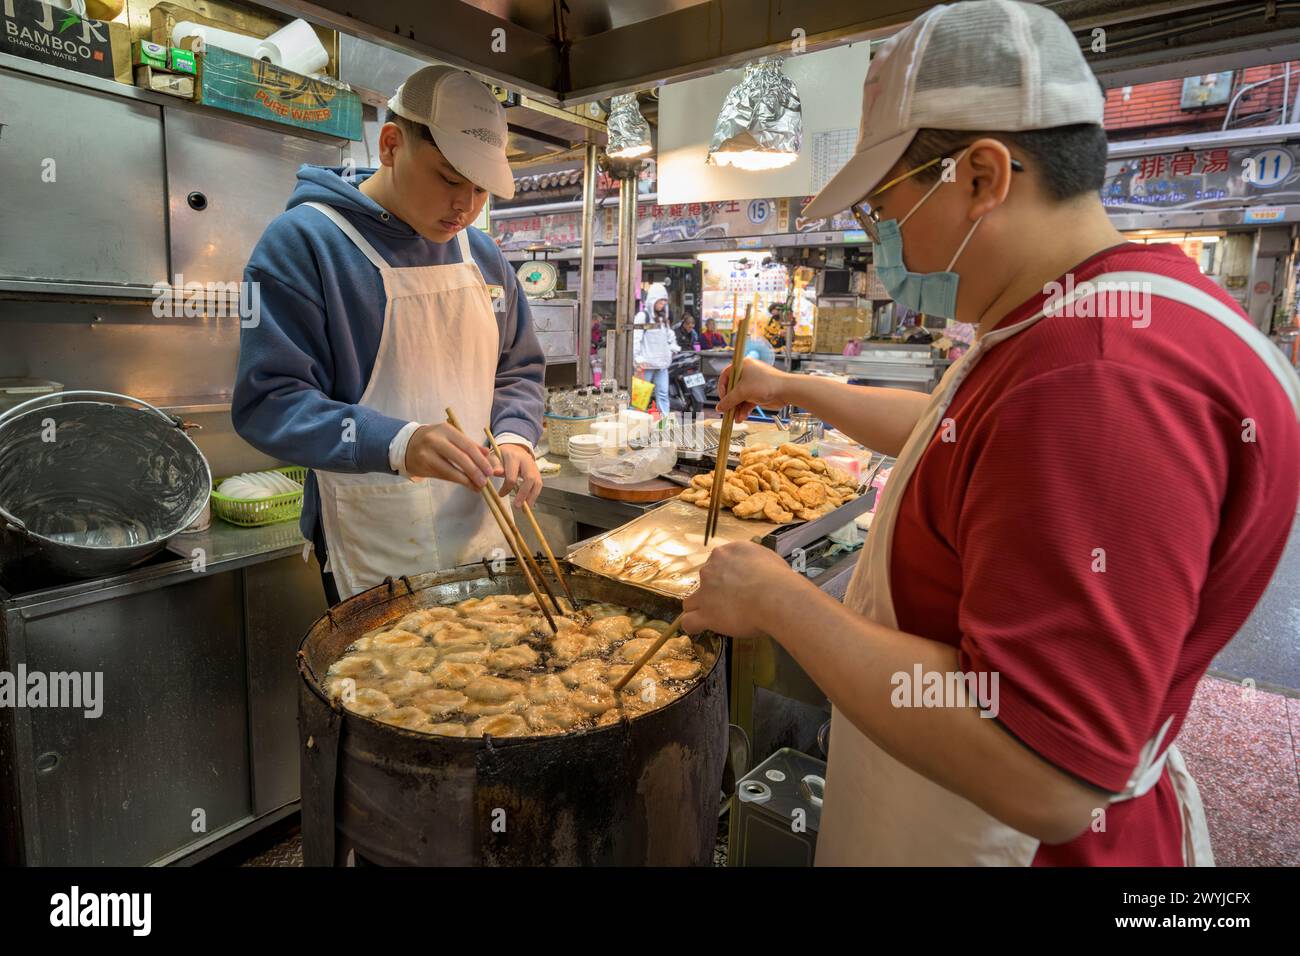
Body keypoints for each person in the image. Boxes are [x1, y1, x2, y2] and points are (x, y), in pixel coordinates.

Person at [682, 0, 1300, 867]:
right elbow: (958, 439)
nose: (877, 237)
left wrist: (783, 603)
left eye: (883, 208)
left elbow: (1043, 774)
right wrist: (797, 388)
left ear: (981, 177)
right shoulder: (1091, 314)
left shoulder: (1097, 375)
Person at [233, 66, 545, 605]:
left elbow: (518, 369)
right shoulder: (305, 244)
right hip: (373, 541)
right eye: (450, 178)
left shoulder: (484, 254)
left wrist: (517, 436)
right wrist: (398, 442)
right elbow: (269, 402)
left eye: (481, 189)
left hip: (481, 532)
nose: (466, 207)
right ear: (391, 143)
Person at [633, 284, 679, 414]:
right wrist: (638, 359)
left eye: (665, 301)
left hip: (662, 365)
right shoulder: (642, 317)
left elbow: (670, 336)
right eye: (660, 300)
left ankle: (663, 425)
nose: (663, 303)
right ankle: (636, 423)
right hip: (646, 365)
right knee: (640, 397)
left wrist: (673, 348)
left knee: (663, 395)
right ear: (653, 299)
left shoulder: (663, 318)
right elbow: (635, 339)